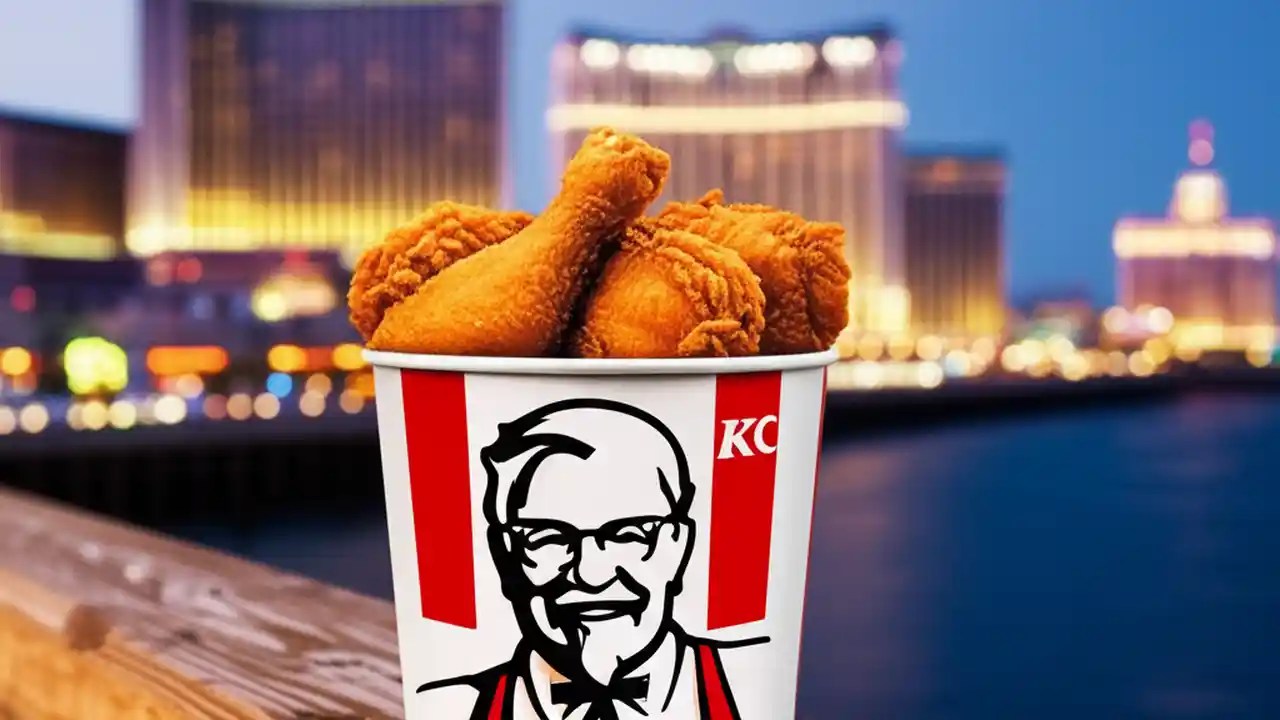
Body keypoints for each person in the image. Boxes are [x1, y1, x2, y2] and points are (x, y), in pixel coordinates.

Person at [418, 398, 766, 720]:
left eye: (629, 533)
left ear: (678, 545)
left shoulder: (751, 680)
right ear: (504, 556)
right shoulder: (453, 704)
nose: (591, 573)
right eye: (548, 537)